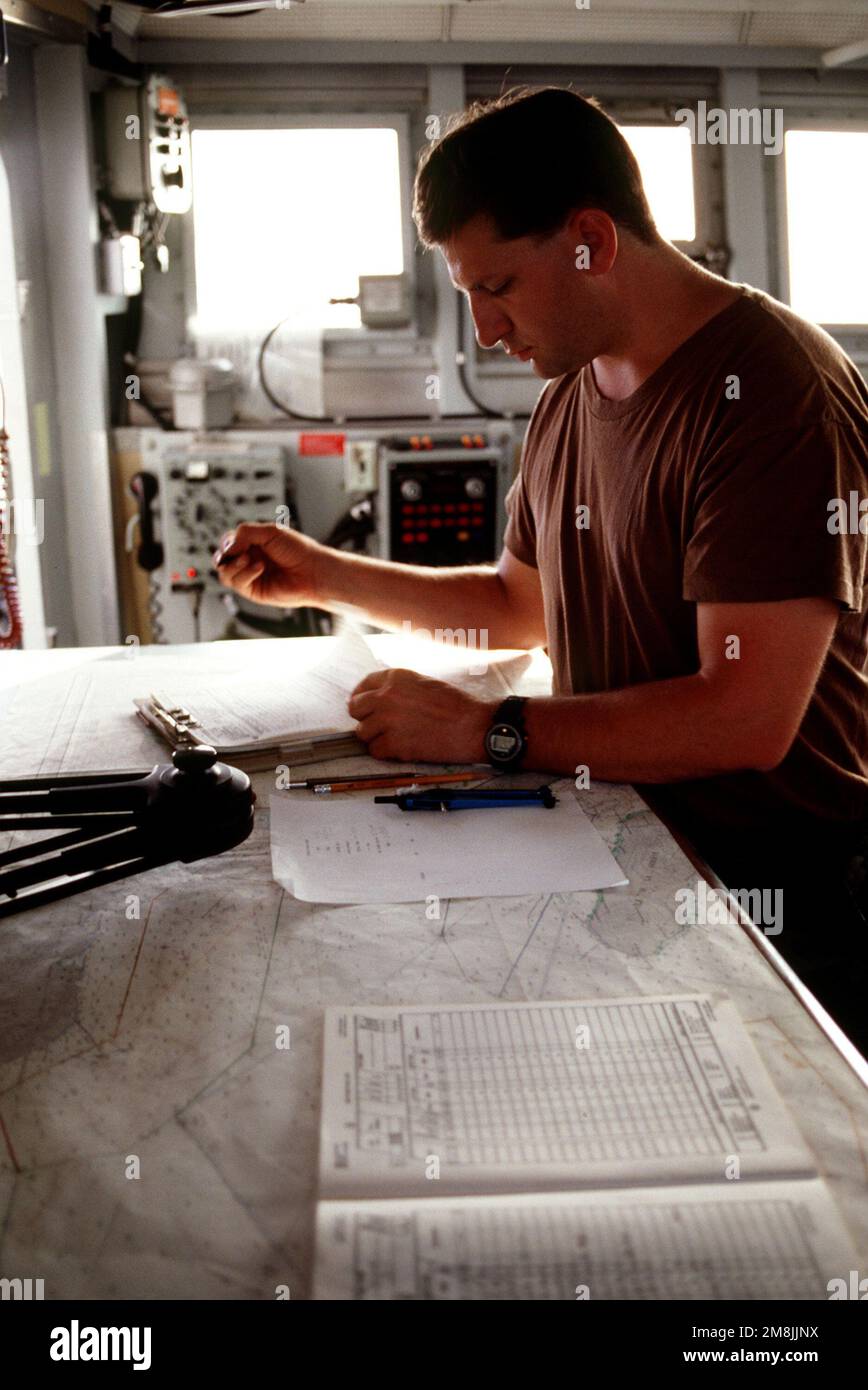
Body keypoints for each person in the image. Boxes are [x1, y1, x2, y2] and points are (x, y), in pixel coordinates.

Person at [216, 86, 868, 1054]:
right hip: (628, 833)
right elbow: (519, 607)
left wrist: (491, 729)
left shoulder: (769, 394)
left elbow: (744, 716)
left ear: (590, 241)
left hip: (779, 887)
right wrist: (326, 576)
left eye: (499, 286)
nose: (483, 329)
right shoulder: (573, 387)